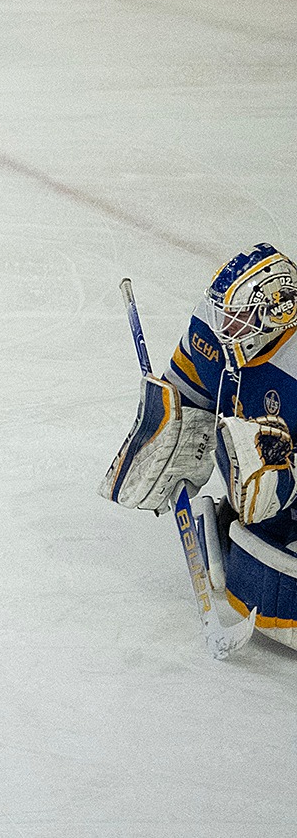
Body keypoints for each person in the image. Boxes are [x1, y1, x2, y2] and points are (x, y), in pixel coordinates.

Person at [100, 243, 297, 647]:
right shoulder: (214, 332)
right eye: (223, 312)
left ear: (277, 315)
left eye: (239, 318)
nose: (225, 325)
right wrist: (169, 430)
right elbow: (187, 395)